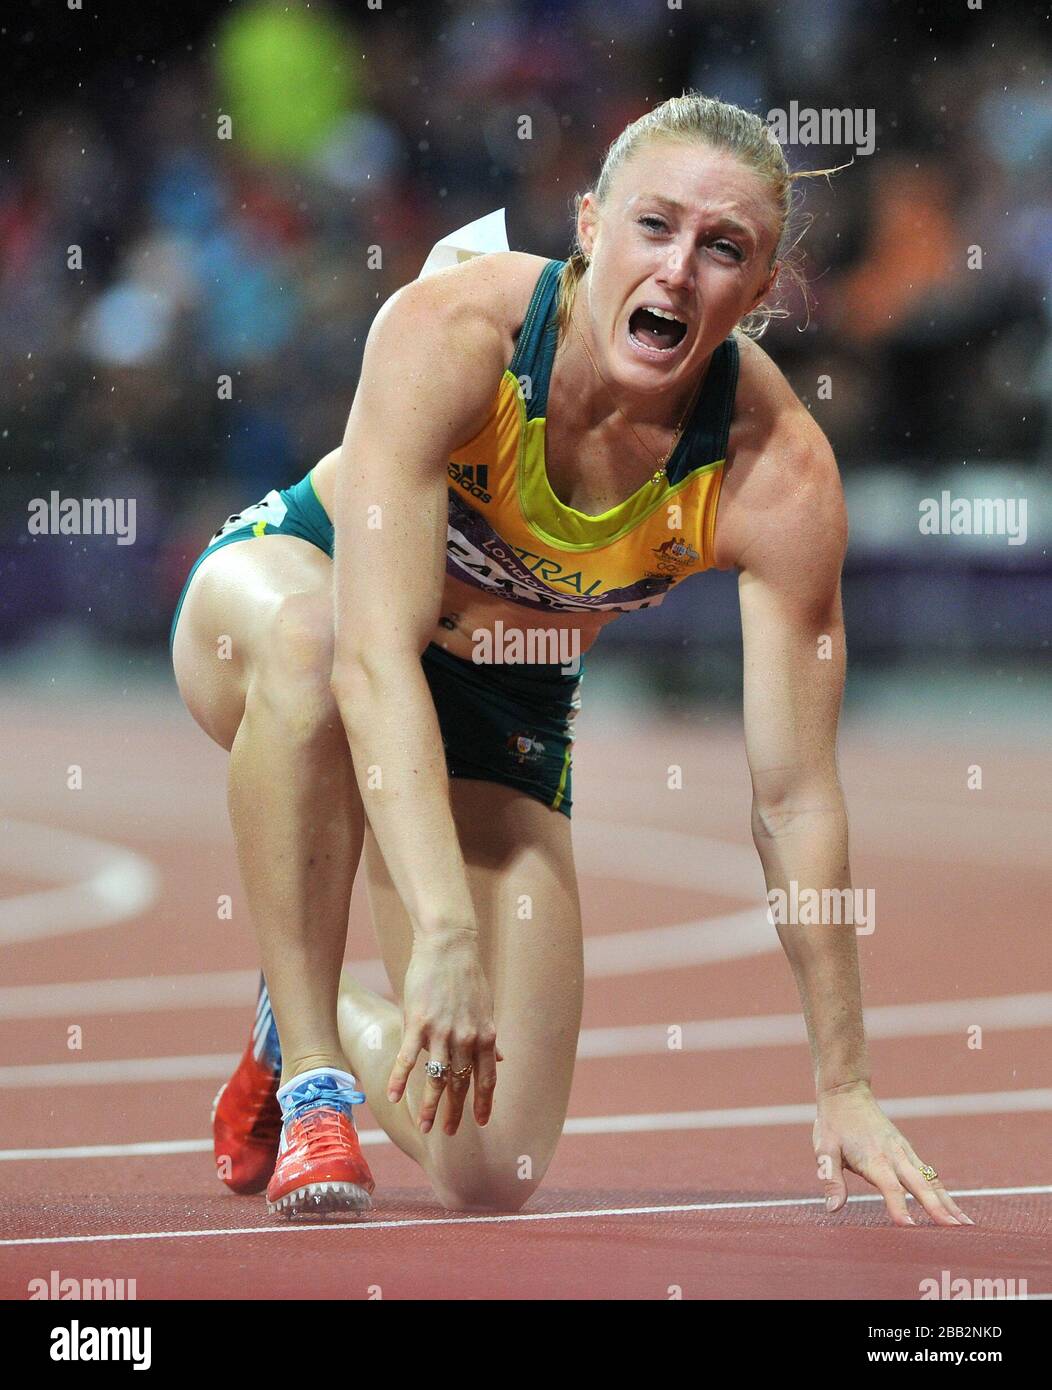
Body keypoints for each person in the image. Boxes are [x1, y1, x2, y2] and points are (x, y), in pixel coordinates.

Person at [171, 91, 973, 1226]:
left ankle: (302, 1005)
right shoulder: (454, 334)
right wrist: (442, 927)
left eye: (722, 250)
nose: (679, 270)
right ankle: (311, 1076)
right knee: (309, 655)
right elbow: (370, 661)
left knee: (493, 1168)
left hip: (508, 693)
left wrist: (841, 1078)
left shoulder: (775, 474)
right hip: (297, 599)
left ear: (758, 293)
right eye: (655, 227)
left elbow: (793, 796)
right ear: (589, 225)